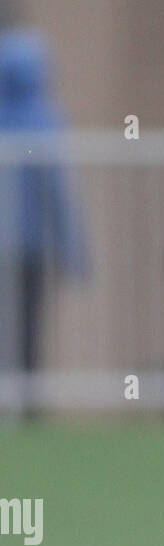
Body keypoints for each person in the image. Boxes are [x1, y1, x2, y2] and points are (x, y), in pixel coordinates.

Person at [0, 27, 89, 416]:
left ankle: (22, 402)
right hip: (28, 247)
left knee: (21, 325)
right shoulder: (43, 119)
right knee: (26, 326)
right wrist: (73, 247)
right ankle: (27, 403)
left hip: (24, 248)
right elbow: (56, 190)